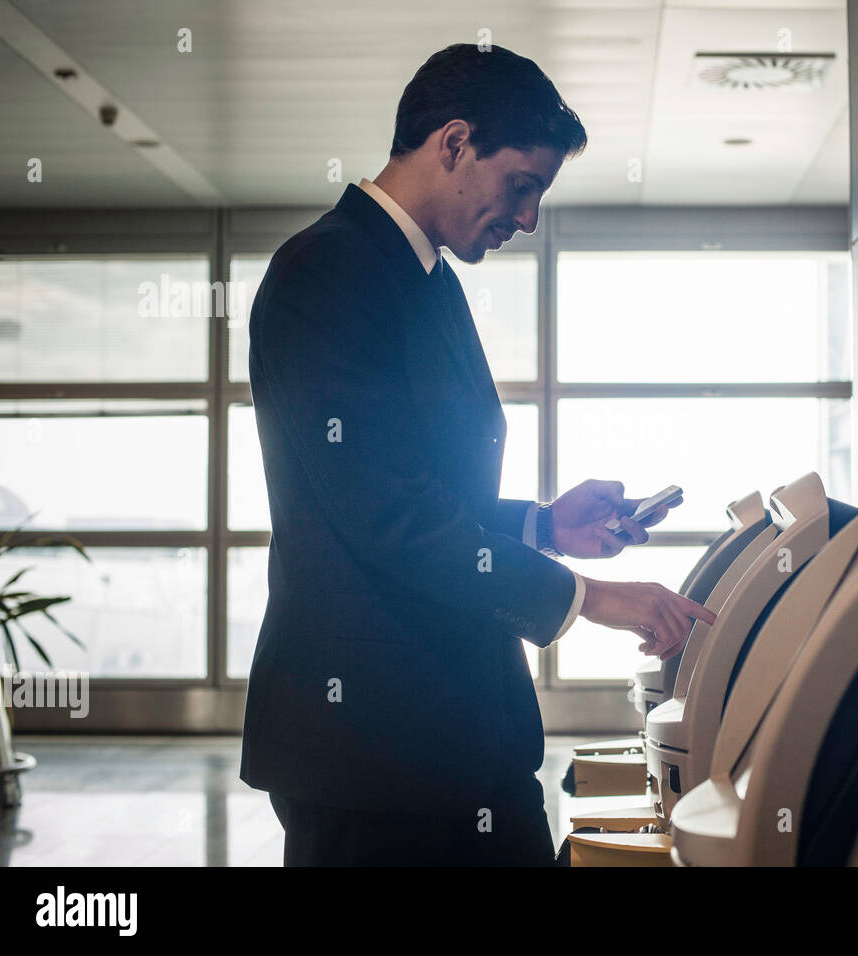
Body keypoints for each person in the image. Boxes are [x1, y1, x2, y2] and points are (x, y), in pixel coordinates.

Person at [239, 42, 715, 866]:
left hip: (444, 735)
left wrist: (543, 522)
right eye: (521, 186)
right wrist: (589, 599)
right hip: (373, 751)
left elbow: (418, 493)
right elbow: (390, 516)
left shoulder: (422, 276)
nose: (527, 218)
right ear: (455, 143)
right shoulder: (327, 273)